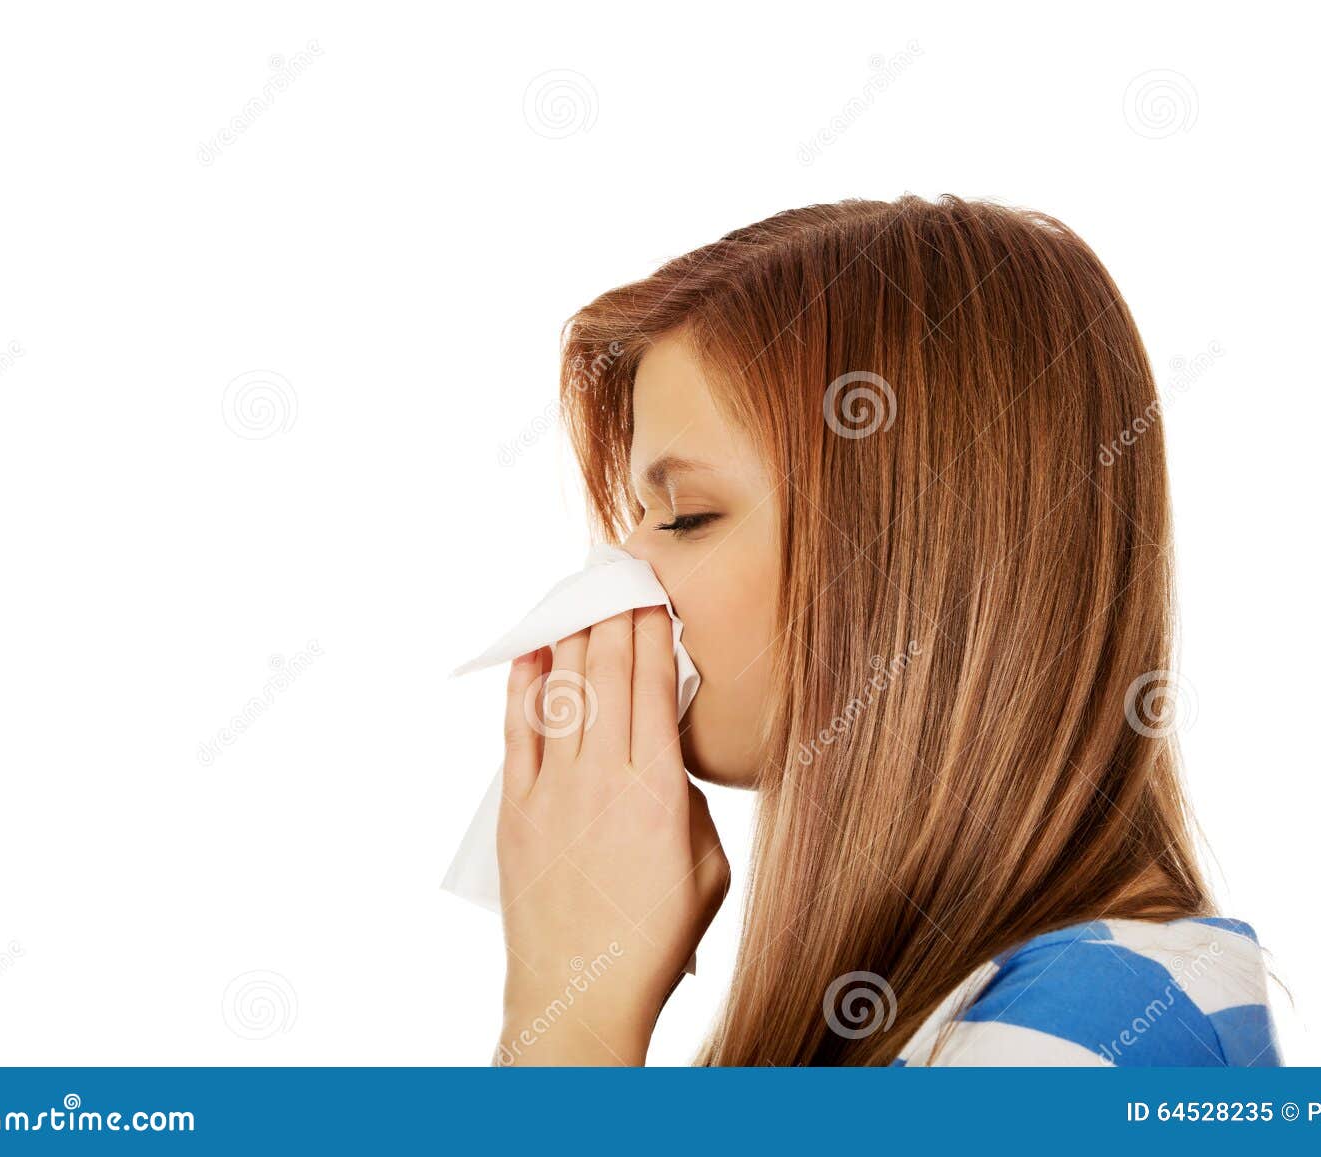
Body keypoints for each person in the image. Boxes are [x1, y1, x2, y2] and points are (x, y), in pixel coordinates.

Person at [493, 195, 1279, 1066]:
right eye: (635, 515)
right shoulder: (973, 1012)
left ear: (918, 549)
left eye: (683, 516)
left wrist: (568, 1006)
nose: (625, 578)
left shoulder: (1092, 1024)